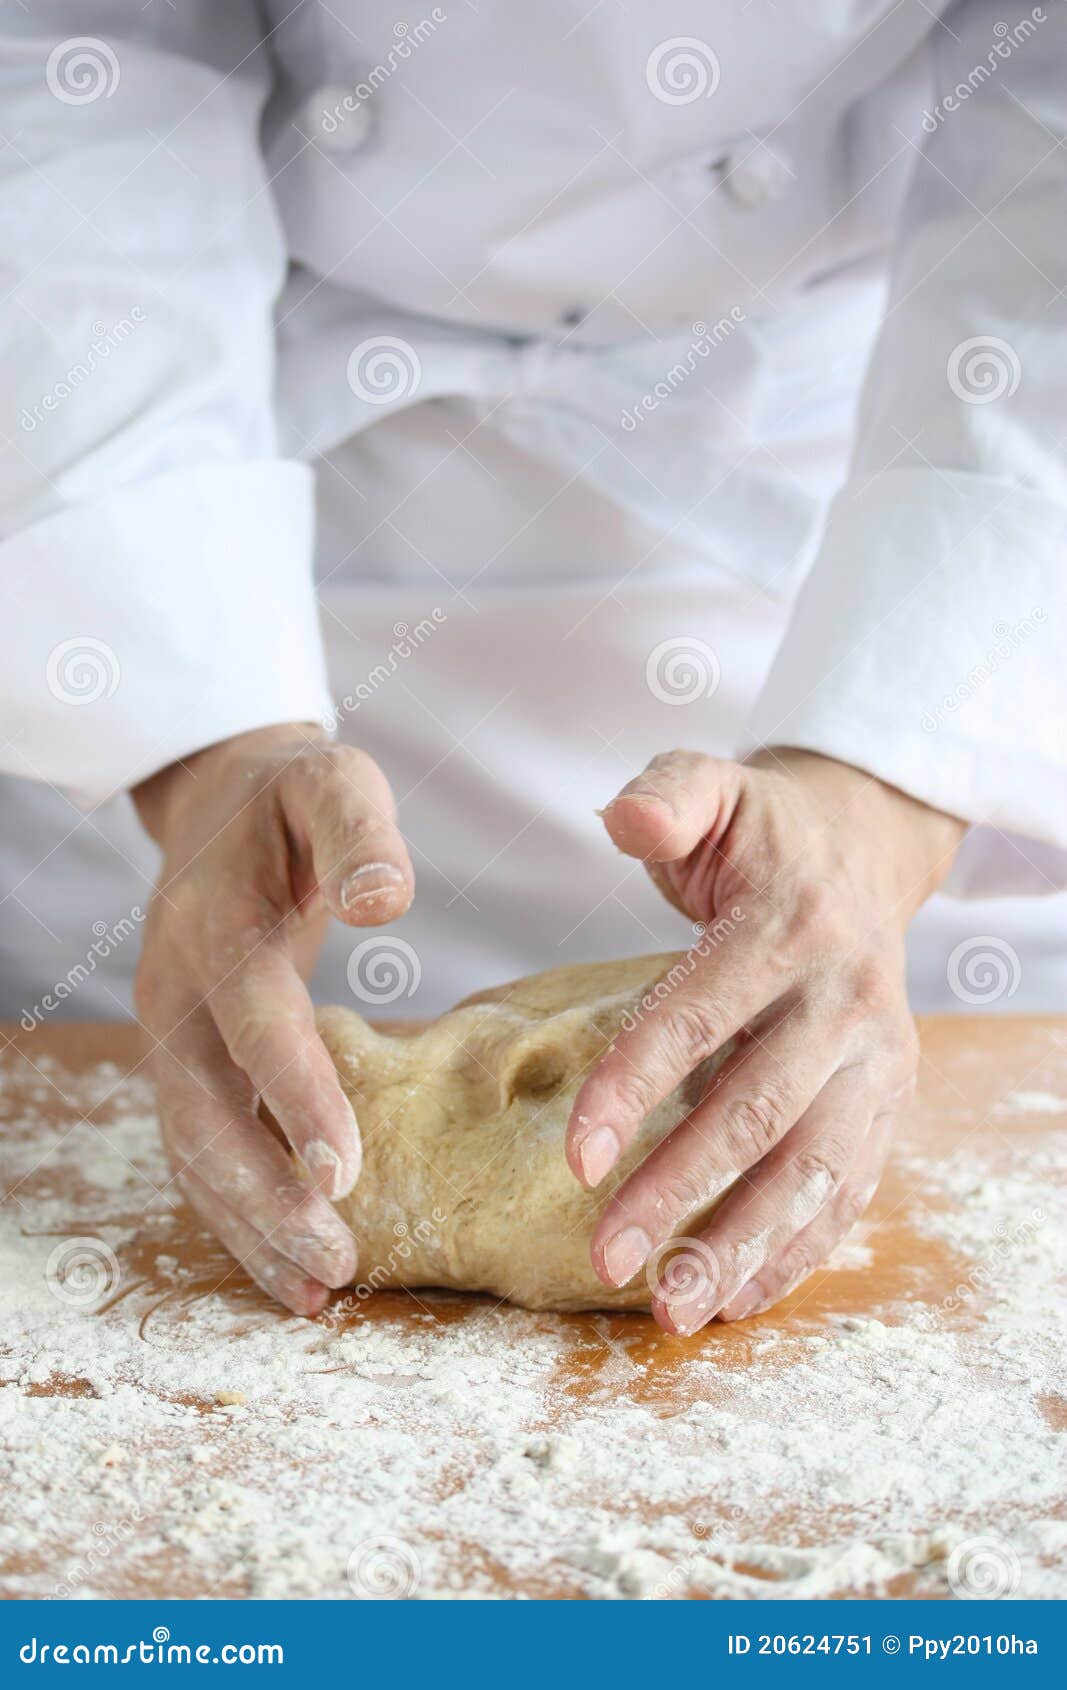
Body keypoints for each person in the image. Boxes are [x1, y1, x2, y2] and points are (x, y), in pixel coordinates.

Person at [1, 2, 1064, 1331]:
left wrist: (882, 792)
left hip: (867, 516)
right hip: (231, 509)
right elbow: (71, 62)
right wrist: (200, 740)